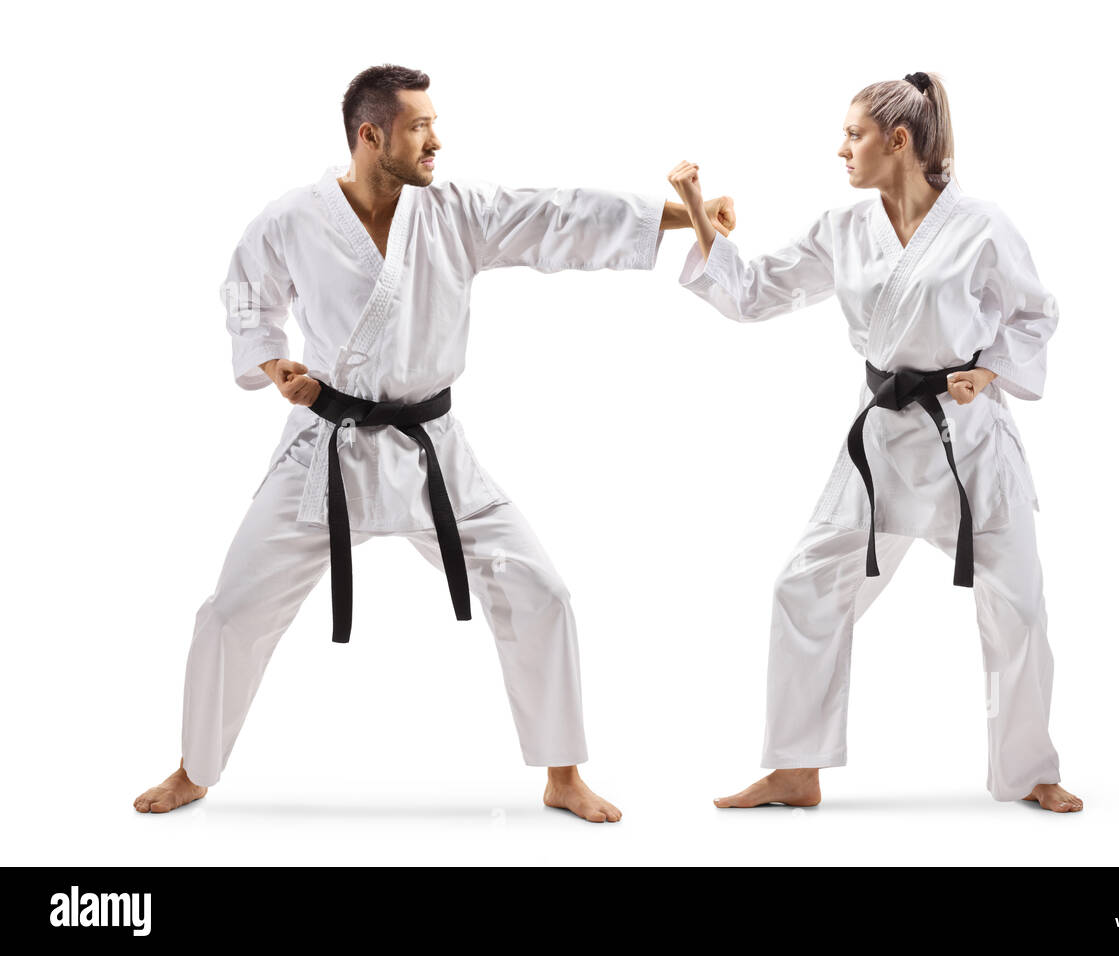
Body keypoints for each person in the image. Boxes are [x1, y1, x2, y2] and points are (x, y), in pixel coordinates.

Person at [133, 63, 734, 823]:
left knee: (540, 592)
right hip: (327, 448)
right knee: (230, 613)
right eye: (420, 126)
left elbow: (556, 217)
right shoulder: (290, 219)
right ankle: (194, 768)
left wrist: (685, 217)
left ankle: (562, 775)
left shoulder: (452, 213)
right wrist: (270, 361)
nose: (436, 140)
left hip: (432, 452)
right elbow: (246, 293)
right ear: (370, 135)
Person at [667, 71, 1081, 812]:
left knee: (1016, 607)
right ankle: (796, 768)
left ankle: (1030, 772)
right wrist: (697, 211)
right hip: (882, 447)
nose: (841, 149)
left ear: (899, 143)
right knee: (805, 588)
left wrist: (987, 371)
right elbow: (757, 291)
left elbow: (1035, 316)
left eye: (854, 135)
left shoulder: (983, 226)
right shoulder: (844, 229)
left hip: (970, 449)